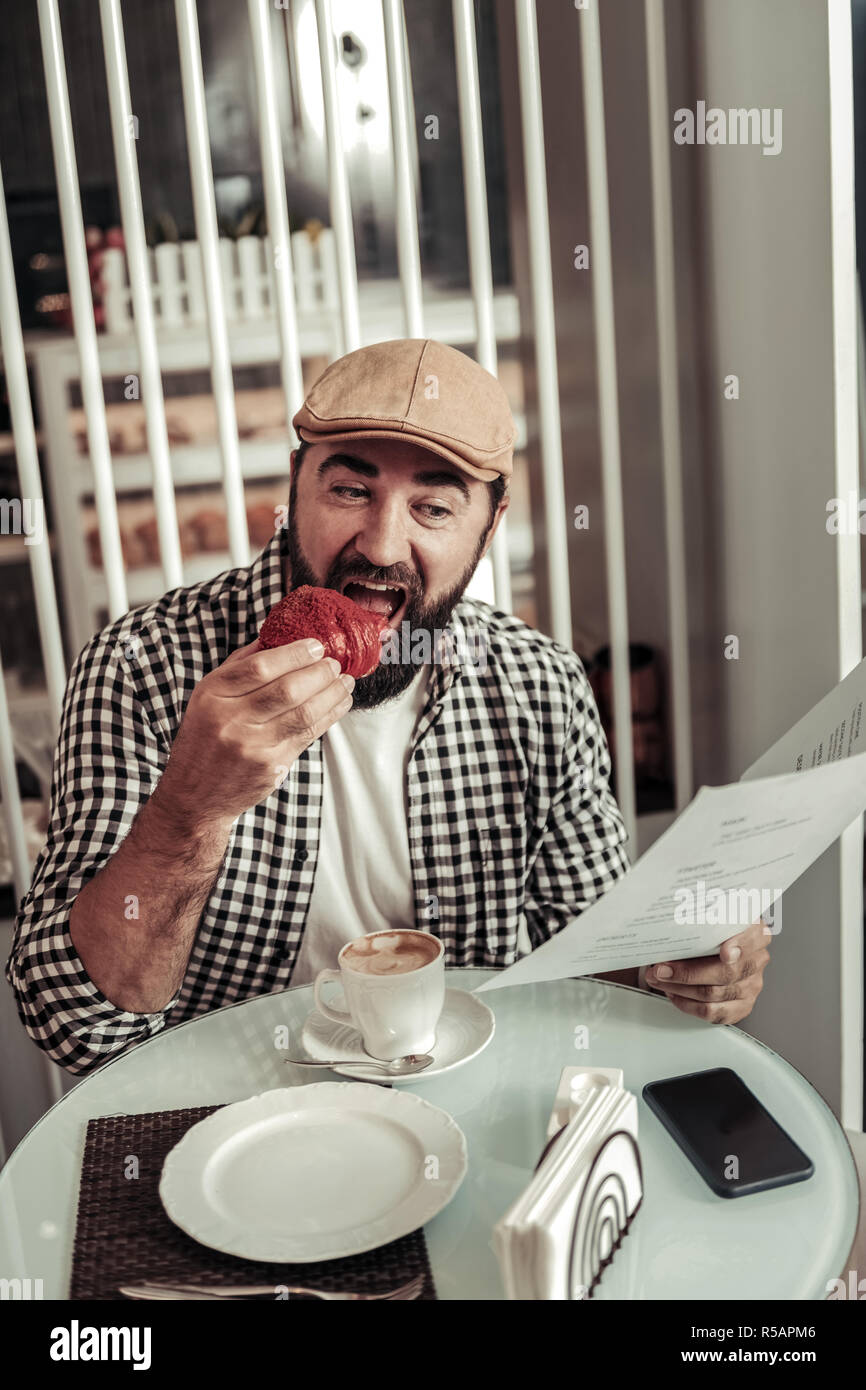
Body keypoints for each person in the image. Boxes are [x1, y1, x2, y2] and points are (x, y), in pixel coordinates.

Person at [6, 339, 769, 1074]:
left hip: (470, 1111)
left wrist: (683, 966)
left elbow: (593, 978)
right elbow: (79, 1029)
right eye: (350, 490)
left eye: (433, 507)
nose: (380, 545)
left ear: (489, 526)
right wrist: (190, 810)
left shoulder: (540, 685)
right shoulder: (145, 665)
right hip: (229, 1137)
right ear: (295, 482)